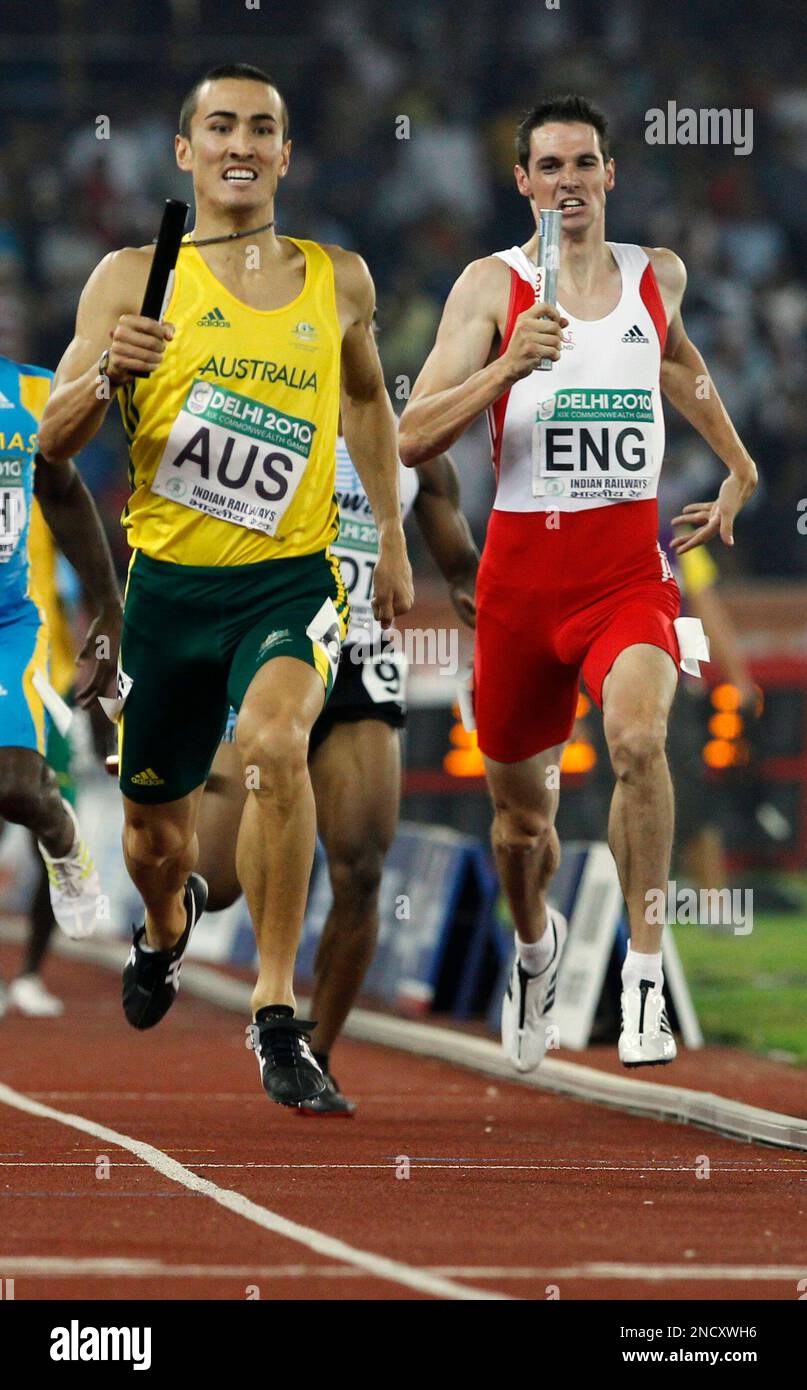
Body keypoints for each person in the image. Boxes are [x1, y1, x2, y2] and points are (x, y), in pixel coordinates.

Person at [38, 64, 413, 1107]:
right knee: (156, 843)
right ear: (184, 152)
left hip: (285, 582)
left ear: (286, 154)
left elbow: (373, 403)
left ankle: (275, 1010)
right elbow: (51, 452)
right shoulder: (130, 279)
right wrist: (105, 373)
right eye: (219, 127)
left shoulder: (338, 278)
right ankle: (165, 932)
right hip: (168, 593)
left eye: (261, 128)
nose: (240, 142)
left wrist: (388, 532)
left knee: (277, 741)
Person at [399, 94, 758, 1069]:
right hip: (519, 587)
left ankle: (644, 982)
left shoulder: (657, 274)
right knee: (522, 824)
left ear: (610, 175)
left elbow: (680, 368)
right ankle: (534, 947)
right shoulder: (489, 288)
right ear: (522, 181)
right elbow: (412, 434)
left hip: (622, 576)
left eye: (583, 164)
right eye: (548, 166)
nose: (567, 182)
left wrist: (737, 463)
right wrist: (507, 365)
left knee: (641, 739)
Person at [194, 437, 478, 1113]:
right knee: (216, 881)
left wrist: (482, 591)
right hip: (270, 650)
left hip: (359, 659)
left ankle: (309, 1054)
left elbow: (461, 562)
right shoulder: (275, 405)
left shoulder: (412, 446)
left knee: (362, 868)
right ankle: (158, 912)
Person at [0, 355, 120, 950]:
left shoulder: (32, 391)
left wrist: (108, 601)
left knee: (17, 789)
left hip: (10, 623)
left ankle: (61, 835)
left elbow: (66, 492)